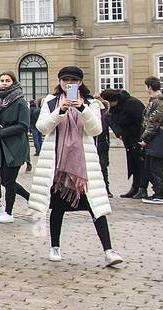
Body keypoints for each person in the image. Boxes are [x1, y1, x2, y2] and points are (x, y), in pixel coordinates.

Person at [28, 66, 124, 267]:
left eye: (73, 80)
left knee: (96, 208)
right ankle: (55, 246)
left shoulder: (91, 103)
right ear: (60, 82)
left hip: (83, 164)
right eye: (65, 80)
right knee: (57, 208)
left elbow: (95, 129)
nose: (68, 83)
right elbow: (42, 127)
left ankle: (108, 250)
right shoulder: (50, 101)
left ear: (80, 83)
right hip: (58, 164)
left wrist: (82, 108)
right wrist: (60, 111)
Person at [0, 71, 32, 223]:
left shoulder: (20, 101)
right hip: (0, 145)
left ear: (13, 82)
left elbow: (23, 126)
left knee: (9, 180)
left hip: (15, 146)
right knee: (3, 179)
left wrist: (1, 131)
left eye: (7, 80)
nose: (4, 83)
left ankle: (8, 212)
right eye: (2, 80)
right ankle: (30, 199)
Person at [99, 88, 147, 200]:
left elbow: (142, 122)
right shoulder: (117, 106)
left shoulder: (132, 104)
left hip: (136, 138)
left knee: (140, 164)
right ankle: (135, 187)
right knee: (133, 164)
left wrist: (142, 139)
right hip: (128, 139)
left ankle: (142, 188)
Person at [138, 76, 163, 205]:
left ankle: (159, 194)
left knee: (155, 167)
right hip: (158, 138)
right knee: (151, 166)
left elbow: (153, 123)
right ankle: (157, 192)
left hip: (158, 138)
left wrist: (145, 138)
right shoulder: (157, 101)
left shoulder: (158, 102)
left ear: (149, 87)